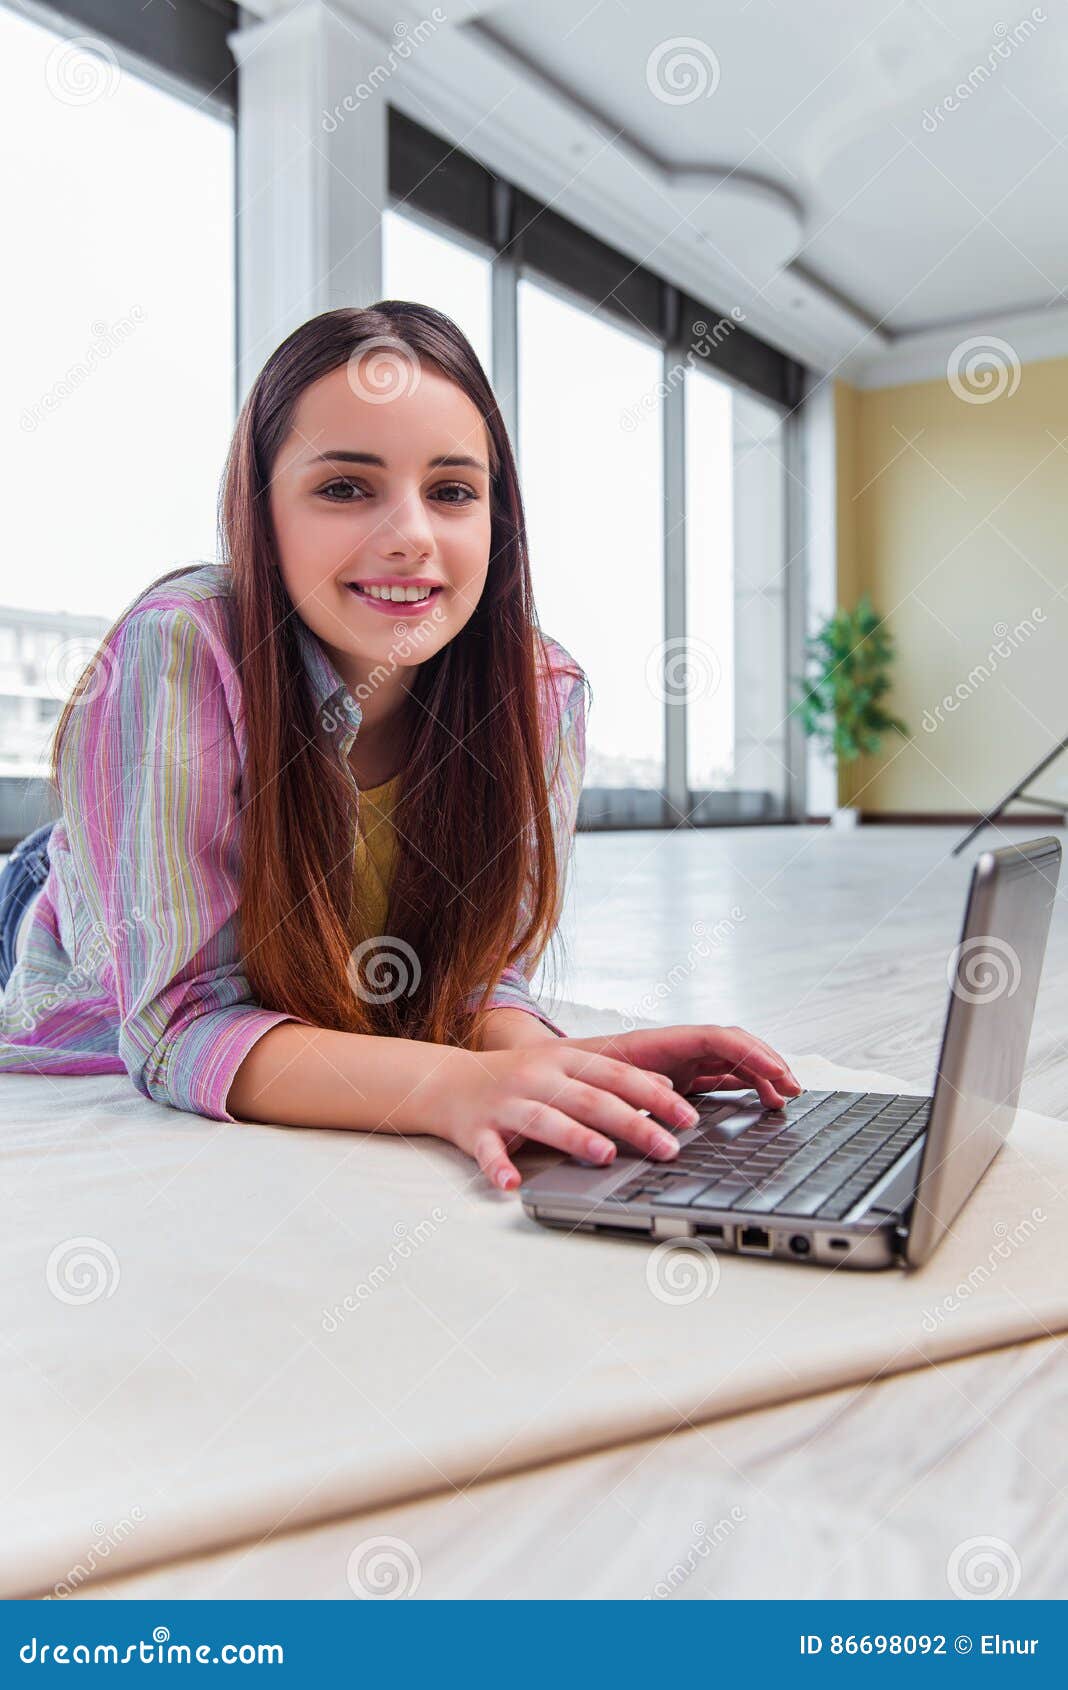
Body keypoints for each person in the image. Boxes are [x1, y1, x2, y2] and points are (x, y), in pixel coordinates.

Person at [0, 301, 800, 1190]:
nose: (412, 536)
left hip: (314, 957)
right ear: (262, 514)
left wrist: (554, 1071)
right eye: (345, 488)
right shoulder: (182, 646)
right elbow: (178, 1025)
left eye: (453, 492)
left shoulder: (542, 695)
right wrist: (454, 1086)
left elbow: (475, 983)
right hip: (63, 912)